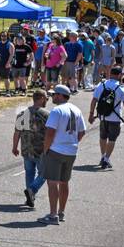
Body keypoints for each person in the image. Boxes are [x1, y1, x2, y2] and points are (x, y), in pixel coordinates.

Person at [41, 83, 86, 224]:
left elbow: (50, 132)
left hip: (56, 150)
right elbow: (82, 131)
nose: (52, 96)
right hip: (71, 151)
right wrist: (72, 142)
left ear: (60, 95)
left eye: (54, 94)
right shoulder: (76, 110)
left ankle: (53, 214)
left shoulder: (57, 110)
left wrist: (45, 149)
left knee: (52, 182)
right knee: (64, 182)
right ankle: (61, 212)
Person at [89, 64, 124, 170]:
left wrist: (91, 114)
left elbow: (94, 100)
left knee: (103, 137)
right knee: (112, 139)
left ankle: (102, 156)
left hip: (103, 116)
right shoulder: (121, 88)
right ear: (119, 75)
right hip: (114, 118)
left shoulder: (102, 85)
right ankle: (106, 159)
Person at [13, 88, 50, 208]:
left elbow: (17, 132)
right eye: (46, 98)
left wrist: (14, 147)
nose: (47, 101)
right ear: (42, 98)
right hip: (40, 150)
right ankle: (32, 190)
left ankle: (30, 197)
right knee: (45, 173)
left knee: (29, 173)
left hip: (26, 149)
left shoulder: (22, 113)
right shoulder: (46, 114)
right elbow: (51, 133)